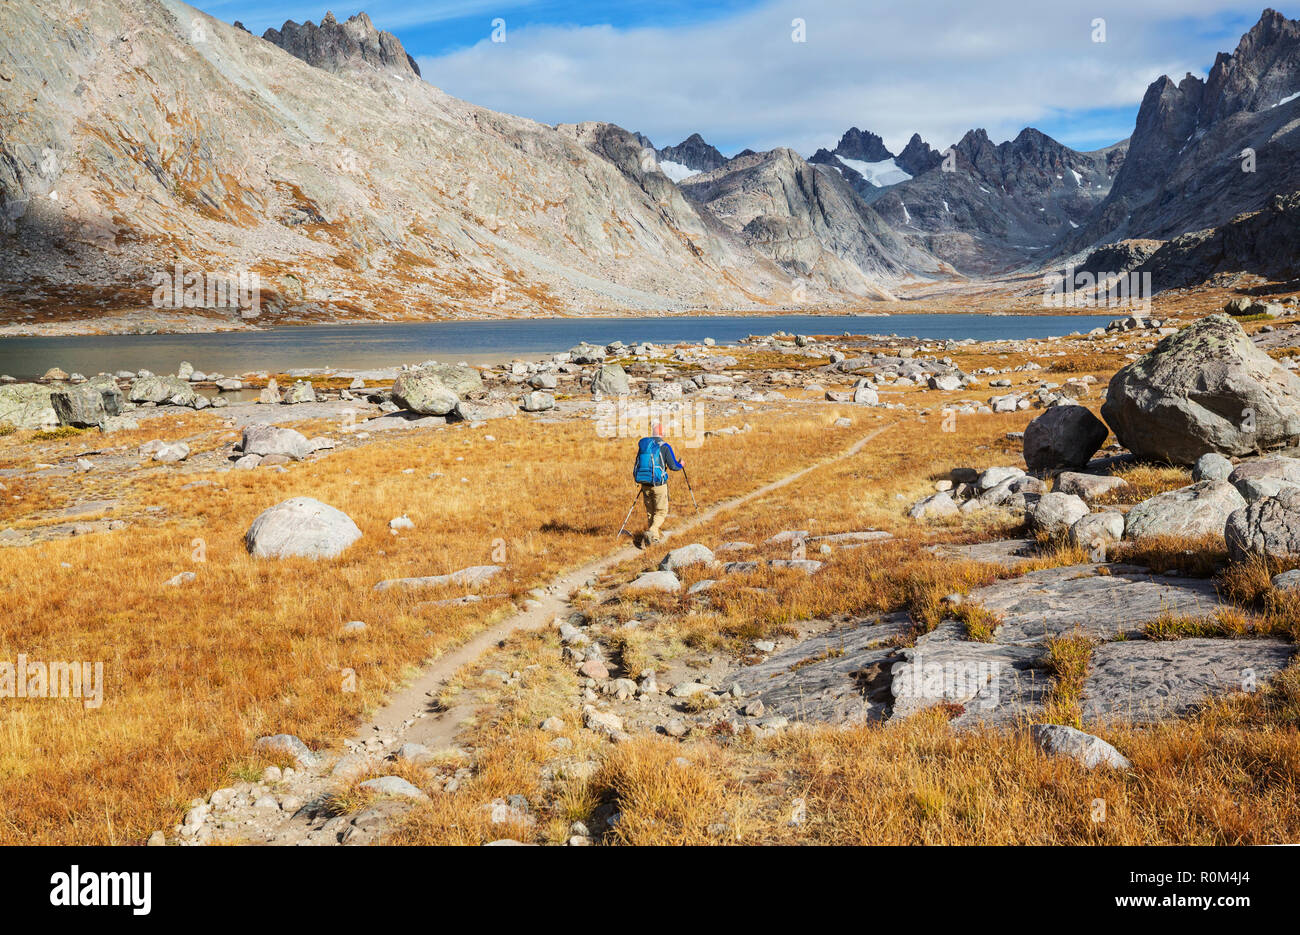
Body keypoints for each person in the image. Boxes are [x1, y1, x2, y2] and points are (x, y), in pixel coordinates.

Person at [632, 423, 684, 548]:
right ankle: (652, 531)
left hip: (645, 483)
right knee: (661, 511)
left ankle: (653, 539)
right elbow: (673, 466)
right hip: (659, 485)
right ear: (662, 434)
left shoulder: (644, 446)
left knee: (651, 511)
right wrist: (681, 464)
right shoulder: (664, 446)